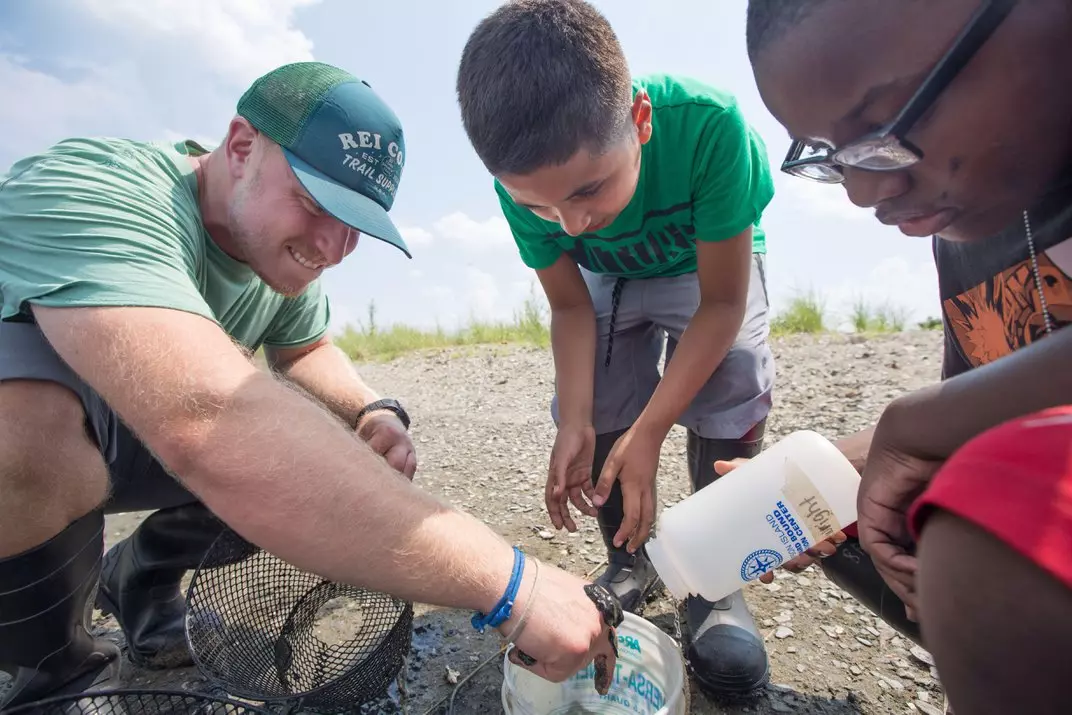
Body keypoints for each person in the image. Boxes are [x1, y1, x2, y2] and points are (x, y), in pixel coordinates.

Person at [0, 60, 617, 709]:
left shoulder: (271, 248)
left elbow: (307, 346)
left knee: (304, 455)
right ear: (241, 147)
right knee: (26, 434)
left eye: (357, 221)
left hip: (141, 423)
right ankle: (54, 666)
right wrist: (513, 583)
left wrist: (372, 410)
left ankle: (137, 581)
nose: (333, 245)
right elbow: (210, 421)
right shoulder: (102, 188)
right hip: (61, 430)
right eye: (316, 203)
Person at [738, 0, 1072, 712]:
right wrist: (832, 466)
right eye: (829, 155)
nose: (865, 190)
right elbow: (975, 407)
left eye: (886, 126)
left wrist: (912, 425)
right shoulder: (968, 224)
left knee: (983, 549)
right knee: (817, 502)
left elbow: (942, 427)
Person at [456, 0, 778, 699]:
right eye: (542, 208)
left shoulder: (709, 126)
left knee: (735, 370)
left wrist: (653, 427)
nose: (571, 221)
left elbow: (723, 303)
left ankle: (713, 577)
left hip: (705, 267)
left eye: (589, 189)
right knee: (595, 398)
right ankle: (628, 559)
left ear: (640, 121)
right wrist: (576, 418)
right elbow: (571, 305)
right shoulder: (527, 189)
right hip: (612, 279)